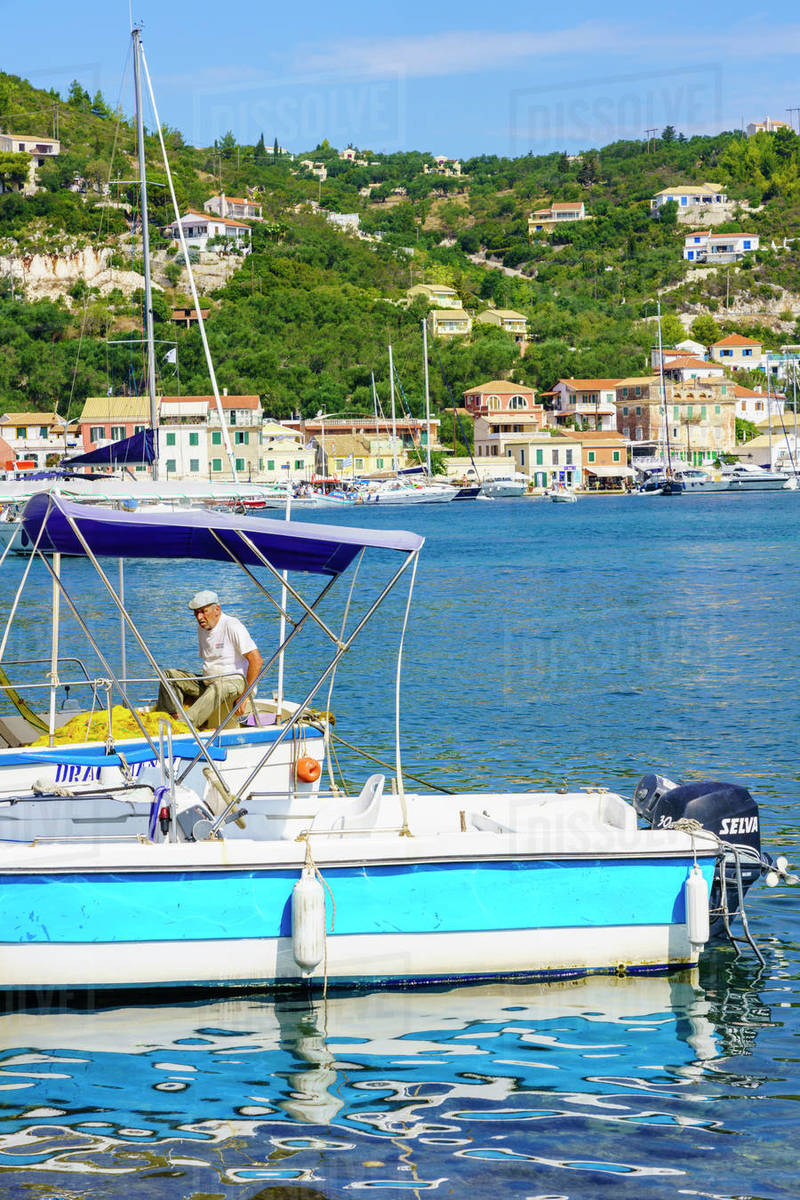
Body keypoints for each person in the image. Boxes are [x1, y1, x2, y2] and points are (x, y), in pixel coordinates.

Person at [157, 590, 263, 729]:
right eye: (196, 613)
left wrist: (244, 697)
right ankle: (168, 718)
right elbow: (211, 664)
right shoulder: (201, 629)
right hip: (209, 682)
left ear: (217, 610)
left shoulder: (232, 625)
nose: (199, 617)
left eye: (203, 611)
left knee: (218, 687)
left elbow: (256, 660)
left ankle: (183, 726)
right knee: (169, 676)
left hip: (234, 682)